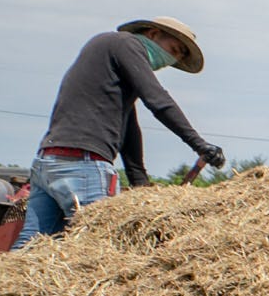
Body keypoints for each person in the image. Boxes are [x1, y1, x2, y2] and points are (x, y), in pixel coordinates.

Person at [12, 20, 224, 251]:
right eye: (173, 50)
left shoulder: (109, 54)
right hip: (83, 165)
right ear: (153, 34)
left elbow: (129, 127)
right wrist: (200, 145)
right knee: (96, 248)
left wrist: (139, 181)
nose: (170, 60)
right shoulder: (125, 44)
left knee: (29, 249)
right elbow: (158, 101)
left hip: (48, 162)